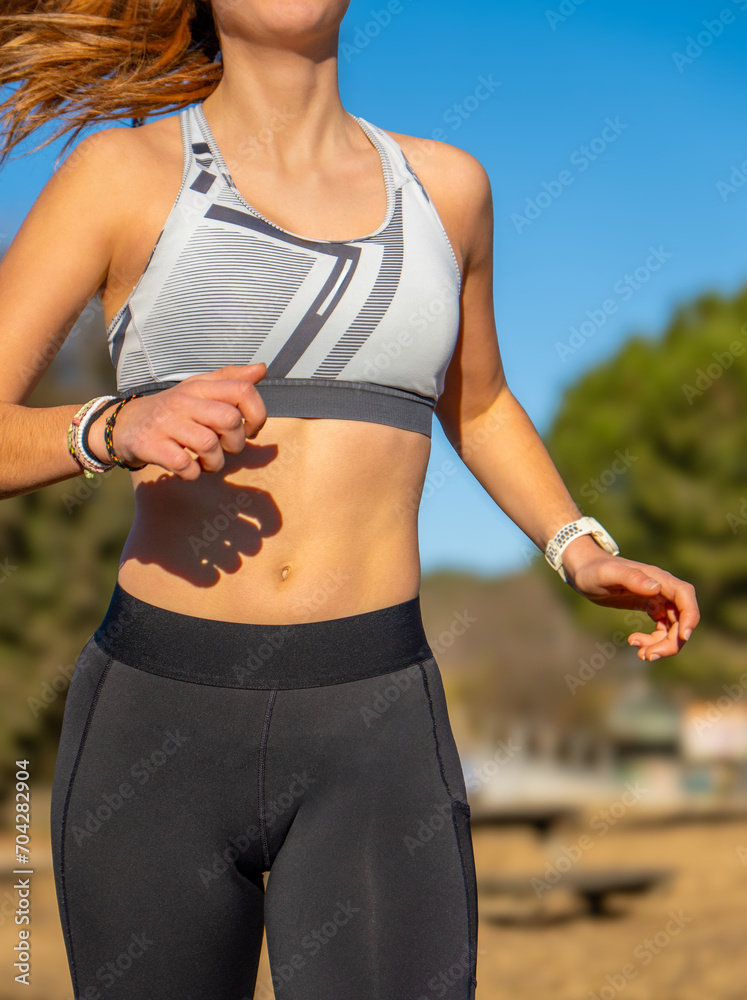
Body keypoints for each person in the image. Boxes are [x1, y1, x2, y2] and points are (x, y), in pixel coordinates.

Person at [0, 2, 700, 998]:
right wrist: (108, 427)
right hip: (157, 719)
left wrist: (579, 546)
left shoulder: (449, 190)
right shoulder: (122, 177)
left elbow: (483, 401)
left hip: (375, 719)